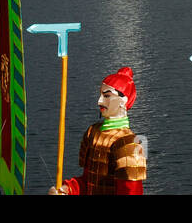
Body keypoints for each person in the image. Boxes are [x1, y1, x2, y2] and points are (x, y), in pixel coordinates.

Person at [49, 66, 146, 195]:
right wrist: (67, 190)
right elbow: (88, 182)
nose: (99, 101)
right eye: (101, 95)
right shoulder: (93, 133)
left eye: (107, 96)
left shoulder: (130, 144)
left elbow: (131, 191)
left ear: (123, 100)